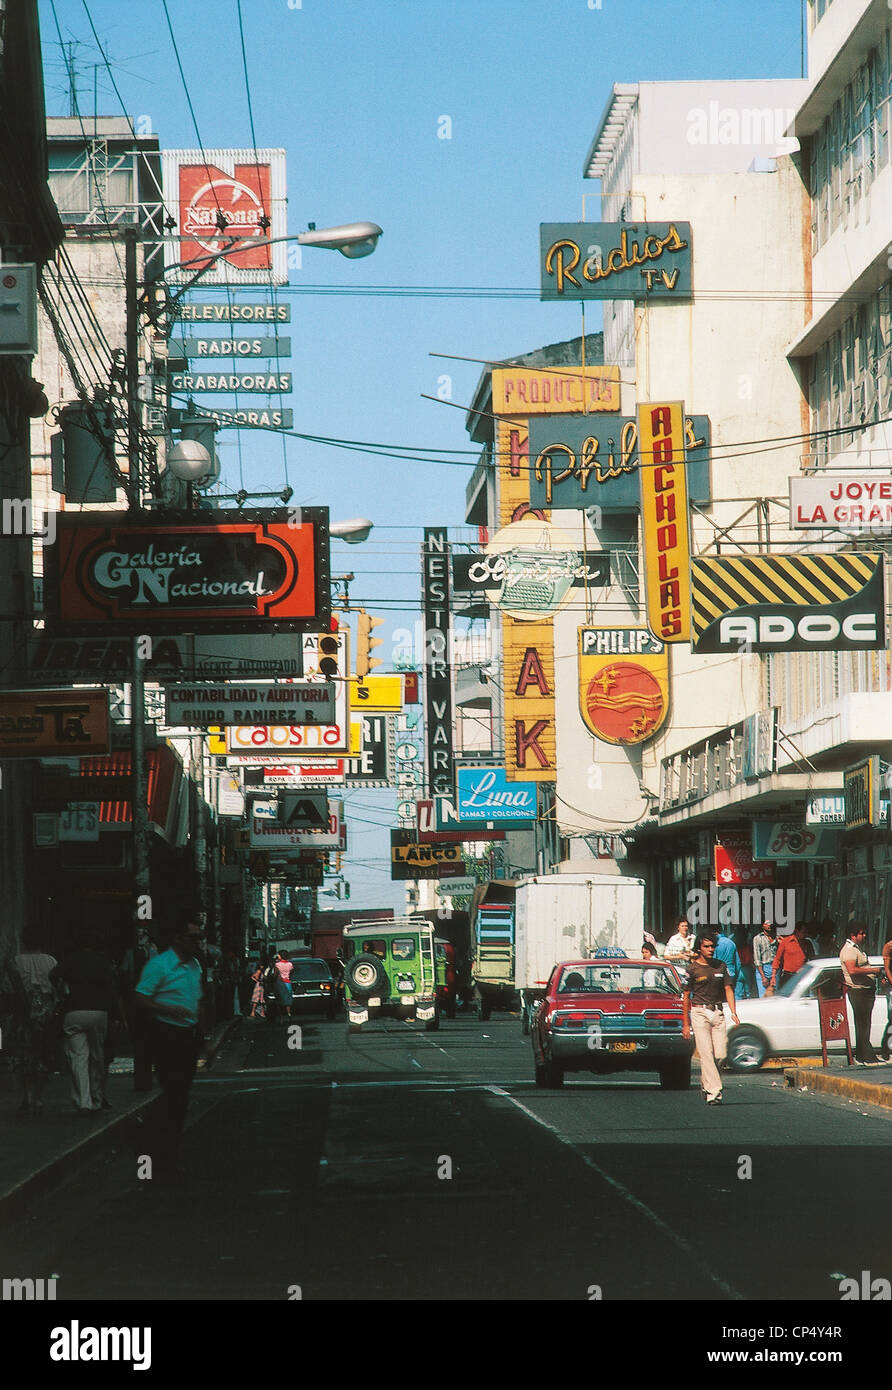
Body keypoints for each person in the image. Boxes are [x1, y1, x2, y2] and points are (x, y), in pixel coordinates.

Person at [133, 915, 204, 1175]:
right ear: (178, 938)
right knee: (173, 1093)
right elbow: (140, 997)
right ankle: (153, 1147)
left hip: (188, 1034)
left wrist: (201, 1033)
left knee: (180, 1097)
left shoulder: (195, 965)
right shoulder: (160, 965)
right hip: (165, 1034)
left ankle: (167, 1154)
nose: (198, 942)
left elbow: (197, 1000)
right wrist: (167, 1009)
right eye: (193, 937)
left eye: (200, 937)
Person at [51, 931, 119, 1113]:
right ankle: (97, 1099)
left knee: (77, 1057)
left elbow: (53, 975)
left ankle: (83, 1101)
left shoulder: (70, 960)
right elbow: (112, 988)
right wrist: (116, 1015)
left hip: (74, 1011)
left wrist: (62, 989)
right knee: (97, 1057)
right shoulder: (103, 962)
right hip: (99, 1011)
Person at [681, 933, 739, 1105]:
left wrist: (734, 1012)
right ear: (699, 948)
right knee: (706, 1053)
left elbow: (728, 989)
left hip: (717, 1013)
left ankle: (706, 1083)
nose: (710, 950)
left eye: (712, 946)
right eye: (706, 946)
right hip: (699, 1013)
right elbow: (685, 996)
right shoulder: (692, 969)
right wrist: (685, 1023)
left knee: (720, 1054)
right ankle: (714, 1093)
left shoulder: (721, 966)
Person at [8, 926, 59, 1117]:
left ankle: (26, 1094)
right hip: (45, 1013)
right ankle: (38, 1096)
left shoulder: (16, 961)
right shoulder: (51, 961)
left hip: (21, 1013)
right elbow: (58, 988)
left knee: (22, 1054)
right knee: (42, 1053)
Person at [839, 923, 882, 1066]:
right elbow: (852, 970)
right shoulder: (850, 950)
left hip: (866, 991)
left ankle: (863, 1055)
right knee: (862, 1024)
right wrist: (872, 971)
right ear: (853, 935)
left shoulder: (857, 949)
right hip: (858, 991)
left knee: (865, 1023)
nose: (864, 936)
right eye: (861, 933)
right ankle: (866, 1056)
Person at [769, 921, 810, 991]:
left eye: (806, 932)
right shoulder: (785, 942)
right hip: (787, 977)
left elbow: (812, 960)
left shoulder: (807, 943)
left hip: (801, 977)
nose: (805, 935)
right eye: (803, 932)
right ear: (796, 931)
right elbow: (777, 959)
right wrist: (773, 976)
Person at [752, 920, 777, 998]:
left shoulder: (777, 937)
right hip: (763, 968)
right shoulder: (758, 938)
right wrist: (763, 976)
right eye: (767, 923)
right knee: (763, 996)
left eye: (770, 923)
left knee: (775, 995)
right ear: (763, 925)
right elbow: (757, 958)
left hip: (775, 968)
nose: (769, 925)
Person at [713, 928, 741, 994]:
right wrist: (736, 974)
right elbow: (738, 962)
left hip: (719, 973)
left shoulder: (715, 943)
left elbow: (713, 960)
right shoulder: (731, 942)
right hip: (731, 972)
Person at [274, 950, 294, 1021]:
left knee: (279, 1000)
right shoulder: (290, 964)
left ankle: (281, 1017)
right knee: (288, 1001)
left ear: (281, 956)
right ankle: (289, 1014)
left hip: (279, 983)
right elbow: (291, 973)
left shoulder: (277, 964)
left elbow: (275, 975)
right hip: (288, 983)